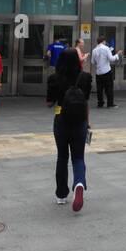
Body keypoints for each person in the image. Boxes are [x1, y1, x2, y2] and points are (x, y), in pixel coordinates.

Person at [54, 72, 91, 210]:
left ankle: (61, 194)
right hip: (80, 122)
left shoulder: (57, 77)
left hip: (61, 120)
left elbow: (49, 102)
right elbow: (86, 102)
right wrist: (87, 122)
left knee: (62, 157)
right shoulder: (85, 77)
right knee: (78, 157)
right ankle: (79, 183)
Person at [51, 34, 83, 111]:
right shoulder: (81, 76)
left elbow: (51, 98)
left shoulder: (55, 77)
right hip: (73, 108)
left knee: (59, 106)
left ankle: (57, 117)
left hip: (60, 104)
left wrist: (51, 100)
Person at [91, 37, 121, 109]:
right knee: (109, 88)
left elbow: (93, 62)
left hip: (98, 72)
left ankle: (100, 103)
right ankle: (110, 104)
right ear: (103, 41)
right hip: (107, 71)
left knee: (99, 89)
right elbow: (111, 59)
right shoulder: (106, 48)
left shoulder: (94, 50)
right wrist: (117, 54)